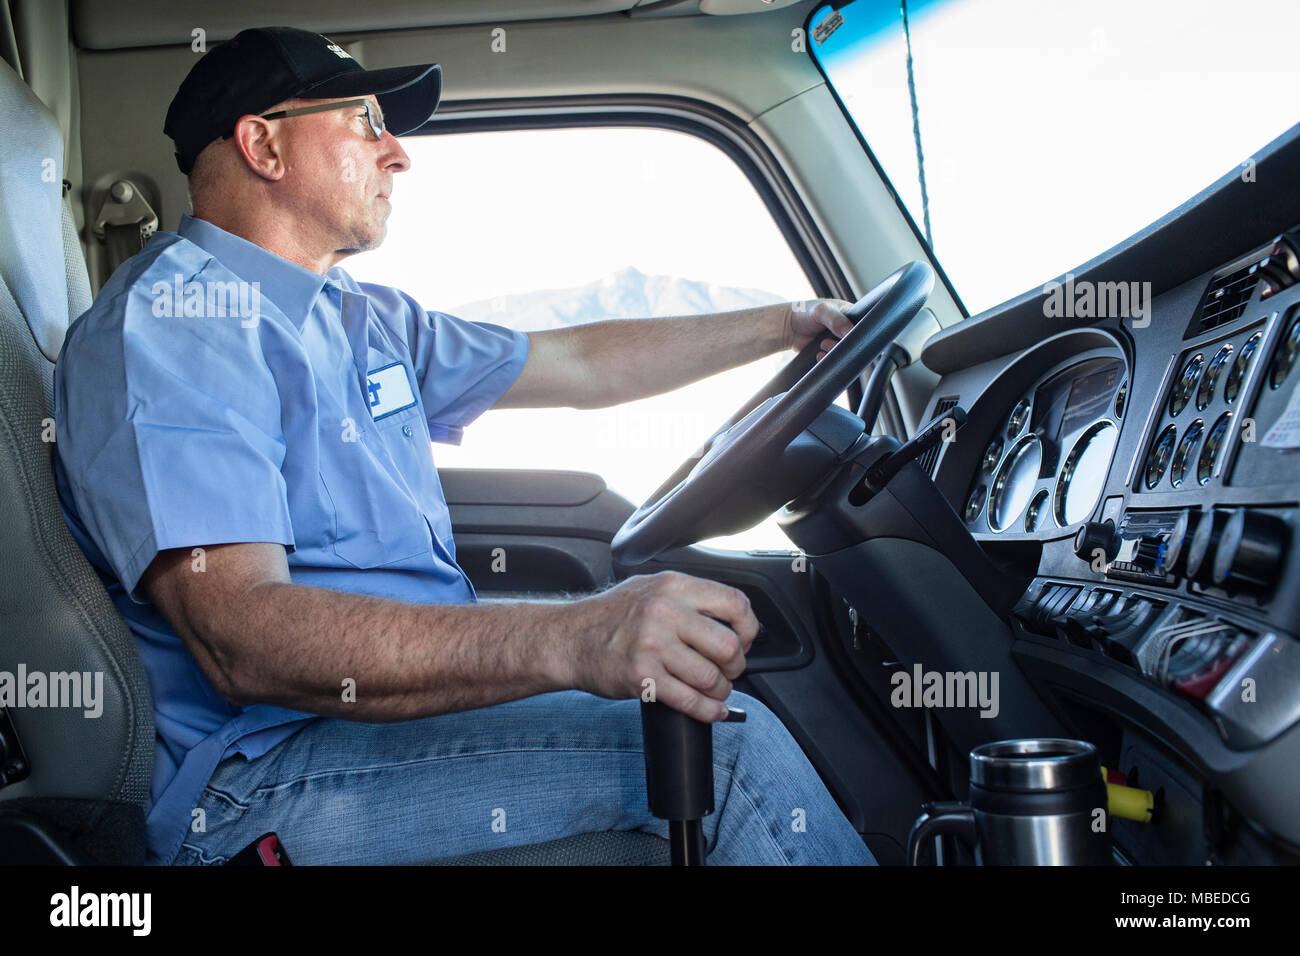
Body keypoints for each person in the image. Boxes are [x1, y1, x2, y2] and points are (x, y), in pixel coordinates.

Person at [53, 26, 874, 865]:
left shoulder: (360, 316)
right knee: (732, 753)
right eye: (367, 121)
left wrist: (785, 325)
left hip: (391, 722)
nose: (398, 154)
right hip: (264, 771)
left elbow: (579, 361)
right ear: (263, 144)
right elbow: (242, 636)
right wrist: (571, 638)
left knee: (706, 698)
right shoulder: (175, 329)